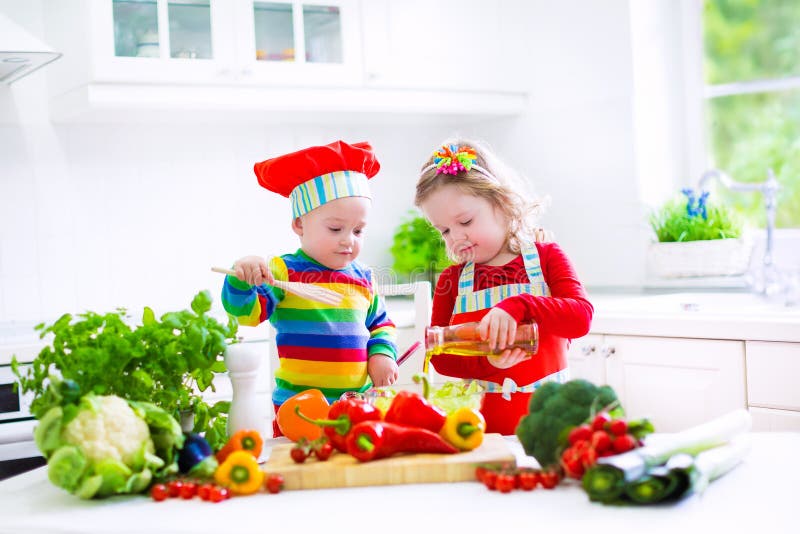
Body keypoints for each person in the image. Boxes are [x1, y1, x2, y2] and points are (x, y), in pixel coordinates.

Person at [415, 140, 593, 435]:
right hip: (483, 432)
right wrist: (488, 361)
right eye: (444, 230)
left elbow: (580, 318)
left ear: (501, 203)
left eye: (466, 221)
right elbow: (441, 357)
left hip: (555, 427)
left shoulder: (547, 256)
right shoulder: (452, 280)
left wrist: (521, 305)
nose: (456, 237)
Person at [222, 140, 398, 437]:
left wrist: (382, 355)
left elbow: (381, 324)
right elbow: (247, 314)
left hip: (357, 404)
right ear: (299, 224)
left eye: (358, 231)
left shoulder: (364, 277)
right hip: (298, 407)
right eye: (335, 229)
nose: (348, 240)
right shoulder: (282, 271)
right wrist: (241, 279)